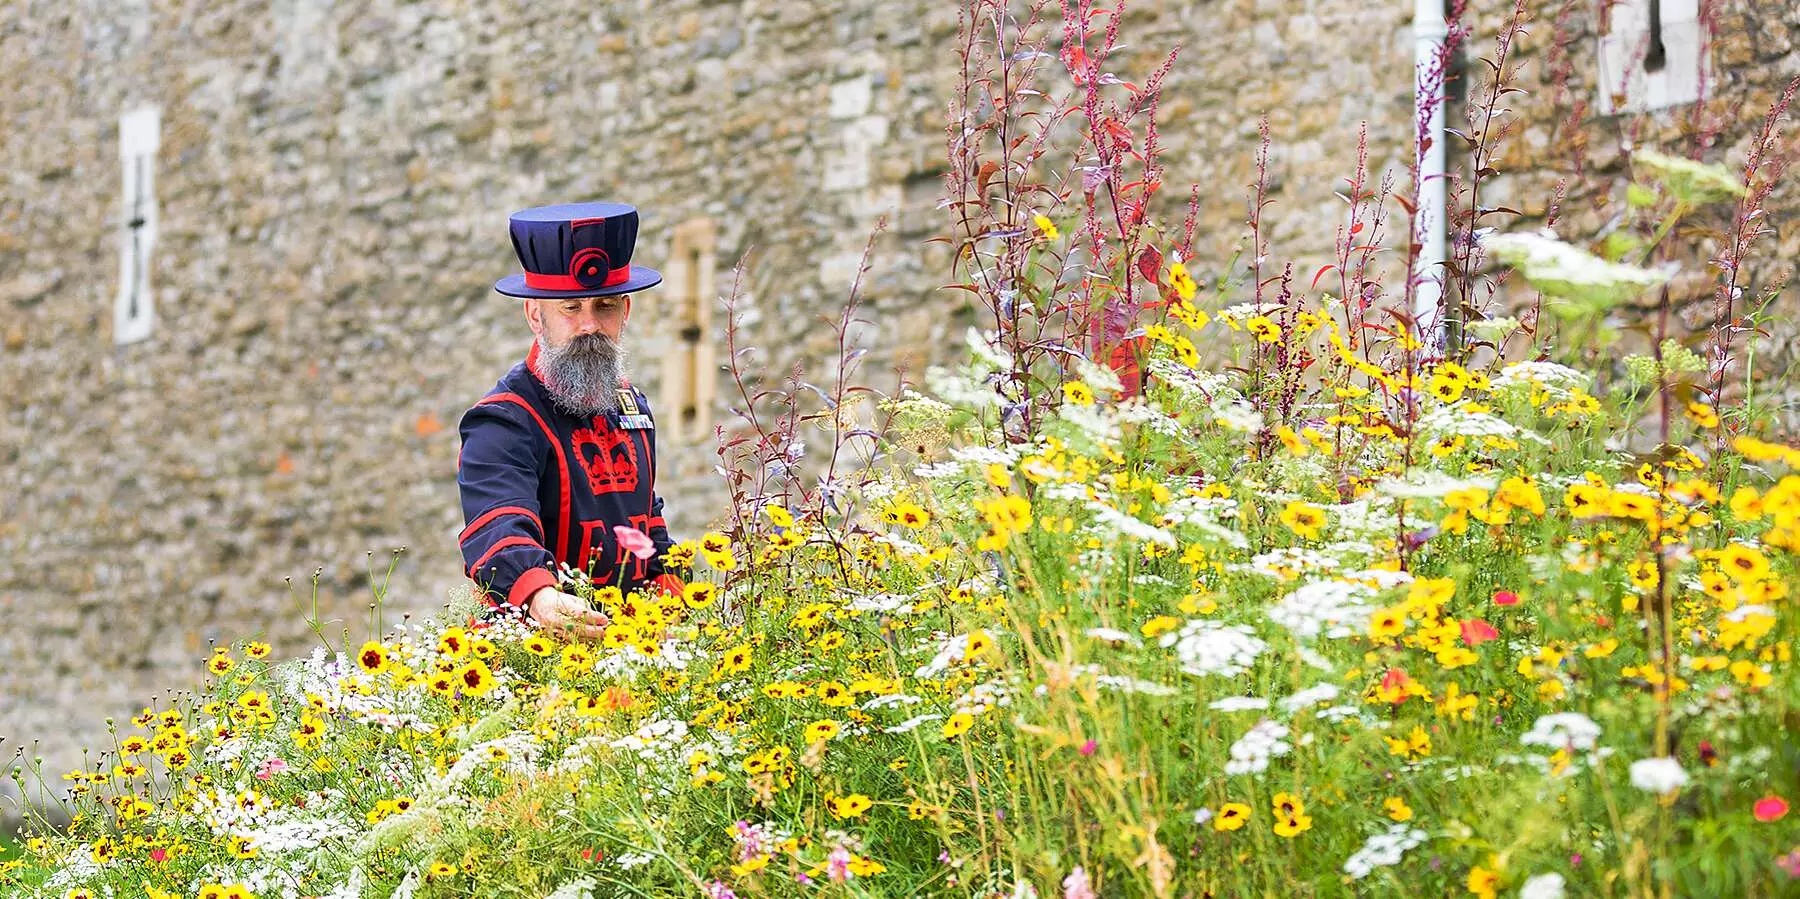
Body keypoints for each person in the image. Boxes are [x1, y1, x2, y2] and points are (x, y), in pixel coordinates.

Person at [456, 201, 683, 641]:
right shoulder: (502, 420)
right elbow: (498, 522)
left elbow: (646, 522)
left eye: (604, 306)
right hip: (537, 649)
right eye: (570, 307)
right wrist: (541, 596)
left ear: (626, 311)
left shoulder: (633, 406)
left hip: (634, 648)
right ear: (534, 315)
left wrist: (679, 601)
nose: (589, 326)